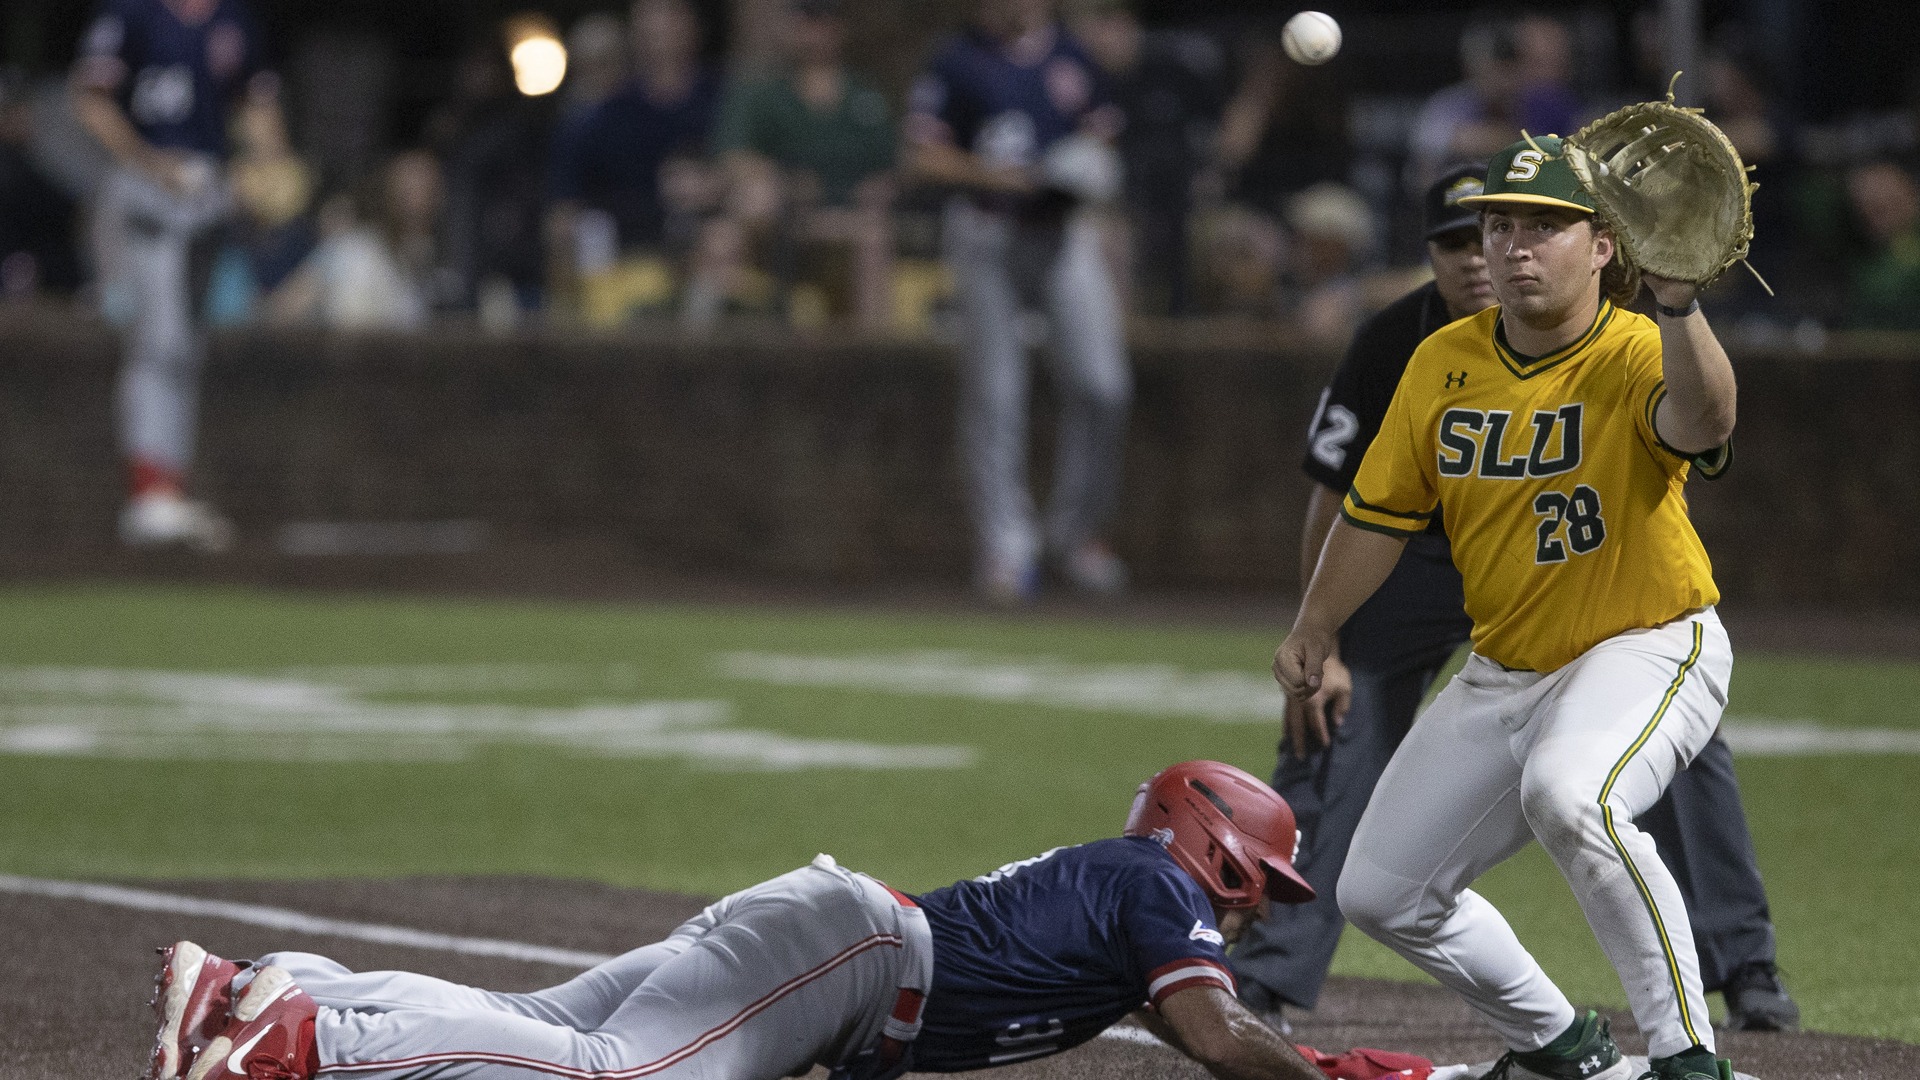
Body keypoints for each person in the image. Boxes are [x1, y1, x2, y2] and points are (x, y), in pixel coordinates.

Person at [1233, 165, 1799, 1038]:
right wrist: (1317, 625)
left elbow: (1707, 423)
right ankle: (1561, 1041)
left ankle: (1693, 1039)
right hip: (1504, 654)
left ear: (1603, 247)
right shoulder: (1436, 355)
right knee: (1379, 891)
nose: (1510, 247)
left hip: (1639, 641)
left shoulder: (1636, 346)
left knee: (1574, 795)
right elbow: (1373, 512)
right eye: (1498, 228)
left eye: (1543, 226)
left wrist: (1681, 306)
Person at [143, 760, 1335, 1080]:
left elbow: (1204, 1027)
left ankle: (272, 986)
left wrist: (1310, 1063)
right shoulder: (1158, 887)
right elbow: (1219, 1034)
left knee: (540, 1023)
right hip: (852, 954)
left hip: (834, 939)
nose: (1256, 903)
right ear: (1215, 843)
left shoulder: (1132, 890)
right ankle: (306, 1040)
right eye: (1259, 877)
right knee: (614, 1075)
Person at [905, 0, 1132, 604]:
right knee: (997, 395)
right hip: (988, 233)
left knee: (1103, 386)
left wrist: (1081, 167)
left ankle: (1073, 536)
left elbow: (1102, 133)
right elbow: (923, 154)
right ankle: (1006, 547)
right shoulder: (958, 59)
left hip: (1063, 234)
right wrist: (999, 176)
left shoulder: (1073, 54)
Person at [73, 0, 278, 550]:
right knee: (158, 344)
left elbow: (257, 104)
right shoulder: (132, 14)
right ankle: (149, 493)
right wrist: (146, 160)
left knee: (186, 348)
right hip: (146, 190)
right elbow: (90, 99)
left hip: (208, 194)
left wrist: (269, 163)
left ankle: (167, 490)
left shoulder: (233, 18)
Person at [688, 0, 898, 330]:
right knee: (724, 233)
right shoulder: (761, 93)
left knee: (874, 236)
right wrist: (784, 181)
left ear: (839, 28)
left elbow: (891, 168)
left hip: (841, 221)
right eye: (803, 22)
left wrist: (880, 191)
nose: (812, 33)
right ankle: (705, 347)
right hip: (774, 223)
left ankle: (874, 352)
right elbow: (732, 158)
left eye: (821, 21)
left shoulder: (866, 96)